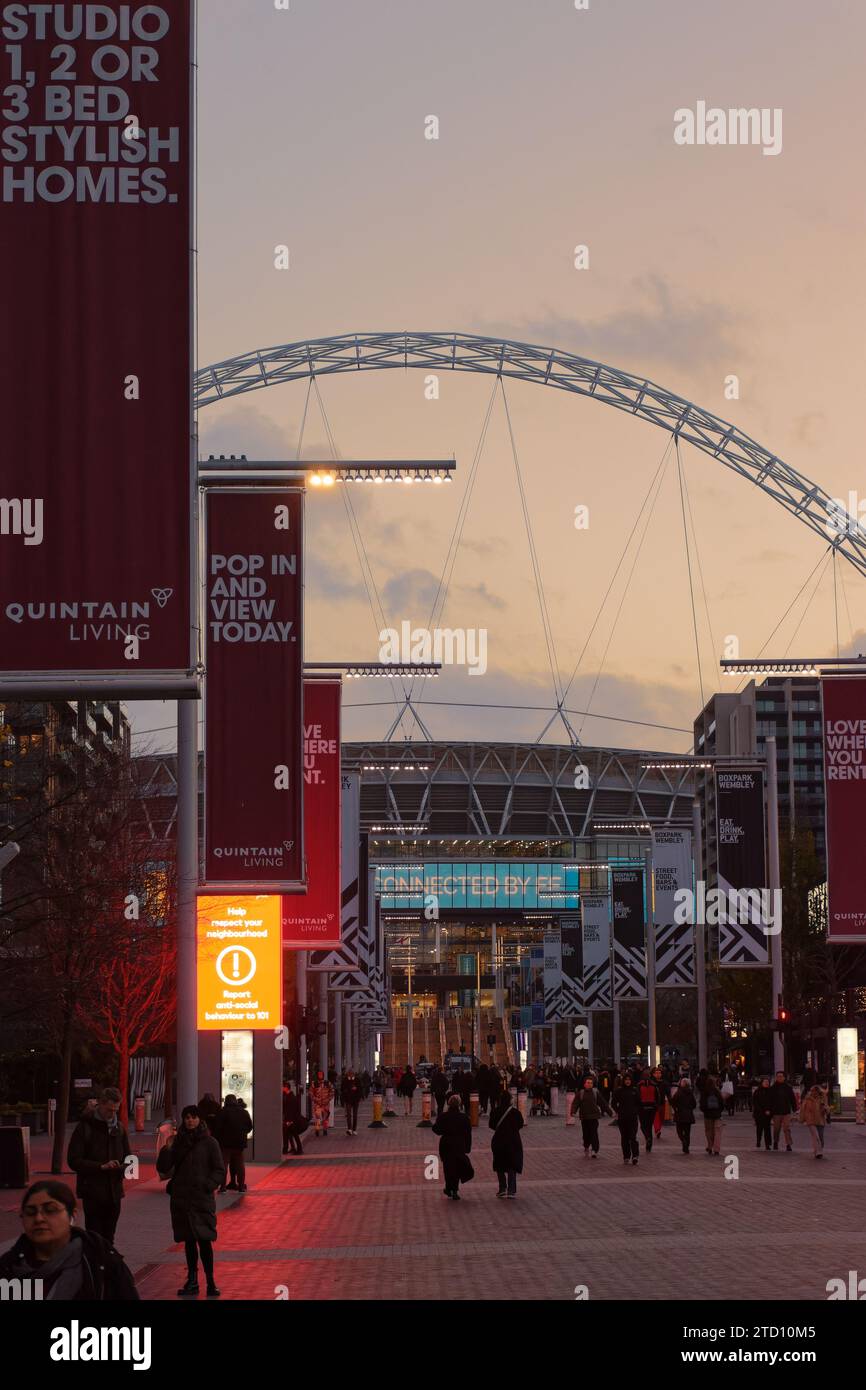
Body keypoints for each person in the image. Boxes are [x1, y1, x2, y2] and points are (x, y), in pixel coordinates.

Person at [0, 1181, 139, 1301]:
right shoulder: (9, 1267)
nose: (39, 1218)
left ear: (72, 1215)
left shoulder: (100, 1260)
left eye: (50, 1210)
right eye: (30, 1212)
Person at [157, 1105, 224, 1298]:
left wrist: (208, 1185)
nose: (190, 1121)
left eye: (194, 1117)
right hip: (182, 1199)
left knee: (205, 1241)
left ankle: (210, 1281)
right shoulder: (177, 1142)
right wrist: (167, 1149)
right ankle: (192, 1280)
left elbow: (219, 1169)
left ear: (200, 1119)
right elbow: (163, 1167)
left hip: (201, 1199)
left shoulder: (210, 1142)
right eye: (187, 1117)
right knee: (188, 1241)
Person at [66, 1086, 131, 1244]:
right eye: (109, 1110)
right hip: (93, 1192)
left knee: (109, 1238)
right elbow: (73, 1160)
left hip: (114, 1193)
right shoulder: (85, 1127)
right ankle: (96, 1266)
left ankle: (107, 1266)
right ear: (100, 1105)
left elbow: (130, 1159)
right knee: (94, 1238)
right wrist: (100, 1166)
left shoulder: (119, 1128)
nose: (112, 1114)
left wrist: (122, 1169)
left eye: (115, 1110)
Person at [432, 1094, 473, 1200]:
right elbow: (468, 1133)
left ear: (448, 1103)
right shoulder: (464, 1118)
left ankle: (449, 1187)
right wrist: (467, 1147)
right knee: (457, 1167)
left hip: (446, 1144)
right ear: (459, 1104)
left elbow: (436, 1130)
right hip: (459, 1144)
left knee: (448, 1167)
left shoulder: (443, 1116)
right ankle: (454, 1189)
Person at [489, 1088, 524, 1197]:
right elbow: (520, 1124)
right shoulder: (515, 1112)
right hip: (513, 1141)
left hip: (499, 1140)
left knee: (499, 1164)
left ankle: (502, 1188)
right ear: (510, 1100)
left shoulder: (495, 1111)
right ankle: (511, 1190)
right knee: (511, 1165)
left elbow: (491, 1125)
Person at [215, 1093, 253, 1189]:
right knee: (240, 1164)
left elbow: (218, 1127)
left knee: (224, 1164)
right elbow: (250, 1126)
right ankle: (241, 1186)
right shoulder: (244, 1112)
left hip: (225, 1143)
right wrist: (242, 1133)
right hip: (239, 1143)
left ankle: (223, 1187)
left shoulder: (223, 1112)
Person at [612, 1074, 641, 1165]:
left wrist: (636, 1111)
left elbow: (639, 1103)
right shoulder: (619, 1091)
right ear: (623, 1081)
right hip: (622, 1118)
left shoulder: (635, 1090)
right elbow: (613, 1103)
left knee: (633, 1137)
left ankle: (635, 1156)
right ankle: (626, 1156)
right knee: (624, 1138)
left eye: (629, 1079)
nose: (627, 1081)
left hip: (632, 1118)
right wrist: (618, 1111)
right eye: (626, 1080)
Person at [768, 1070, 798, 1151]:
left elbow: (792, 1099)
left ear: (784, 1078)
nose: (779, 1078)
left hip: (786, 1112)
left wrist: (795, 1109)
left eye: (781, 1076)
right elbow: (769, 1100)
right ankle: (775, 1142)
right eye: (778, 1076)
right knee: (776, 1129)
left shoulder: (788, 1088)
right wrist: (769, 1110)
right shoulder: (772, 1088)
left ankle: (788, 1144)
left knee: (786, 1128)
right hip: (776, 1112)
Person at [572, 1077, 601, 1158]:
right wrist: (573, 1111)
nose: (589, 1084)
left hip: (594, 1116)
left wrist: (611, 1112)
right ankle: (586, 1146)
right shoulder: (581, 1093)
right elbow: (575, 1103)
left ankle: (595, 1149)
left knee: (594, 1133)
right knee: (586, 1134)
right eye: (588, 1083)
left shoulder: (595, 1092)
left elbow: (603, 1103)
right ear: (584, 1084)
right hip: (584, 1117)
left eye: (591, 1083)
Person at [799, 1084, 829, 1159]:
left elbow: (827, 1109)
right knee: (816, 1136)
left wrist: (825, 1109)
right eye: (812, 1091)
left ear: (818, 1092)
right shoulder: (807, 1099)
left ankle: (819, 1150)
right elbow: (803, 1110)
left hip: (820, 1120)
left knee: (821, 1137)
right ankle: (818, 1153)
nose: (813, 1092)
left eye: (815, 1091)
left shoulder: (822, 1098)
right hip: (811, 1120)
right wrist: (802, 1119)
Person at [637, 1071, 661, 1153]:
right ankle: (649, 1145)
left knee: (643, 1126)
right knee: (649, 1126)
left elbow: (636, 1097)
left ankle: (647, 1138)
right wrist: (656, 1106)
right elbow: (658, 1097)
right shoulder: (654, 1085)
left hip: (642, 1108)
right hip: (652, 1108)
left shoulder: (639, 1085)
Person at [700, 1075, 725, 1155]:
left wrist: (704, 1111)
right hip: (717, 1115)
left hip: (707, 1115)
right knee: (717, 1132)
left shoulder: (704, 1091)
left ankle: (710, 1146)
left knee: (708, 1131)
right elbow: (722, 1103)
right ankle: (716, 1149)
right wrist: (719, 1111)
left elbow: (702, 1104)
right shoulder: (717, 1091)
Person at [670, 1077, 696, 1154]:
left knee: (679, 1131)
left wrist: (675, 1108)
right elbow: (694, 1104)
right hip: (688, 1115)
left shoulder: (678, 1092)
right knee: (687, 1132)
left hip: (680, 1114)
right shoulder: (690, 1093)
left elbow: (673, 1101)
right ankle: (686, 1147)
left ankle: (683, 1141)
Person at [752, 1077, 773, 1151]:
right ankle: (758, 1141)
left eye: (767, 1082)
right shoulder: (757, 1091)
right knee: (759, 1128)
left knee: (767, 1129)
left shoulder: (771, 1091)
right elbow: (755, 1103)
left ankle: (768, 1144)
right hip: (759, 1114)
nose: (766, 1083)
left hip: (768, 1114)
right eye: (765, 1082)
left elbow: (773, 1103)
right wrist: (762, 1111)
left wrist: (769, 1110)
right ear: (762, 1083)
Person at [310, 1071, 334, 1138]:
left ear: (323, 1075)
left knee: (325, 1117)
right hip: (317, 1103)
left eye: (321, 1074)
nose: (320, 1075)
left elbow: (332, 1091)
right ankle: (317, 1129)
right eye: (319, 1074)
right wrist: (315, 1099)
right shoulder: (314, 1083)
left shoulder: (327, 1083)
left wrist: (328, 1099)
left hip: (326, 1103)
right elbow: (311, 1093)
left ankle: (325, 1129)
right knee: (318, 1117)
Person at [282, 1083, 304, 1156]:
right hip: (290, 1119)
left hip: (291, 1120)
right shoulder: (288, 1096)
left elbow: (291, 1110)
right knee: (289, 1134)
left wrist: (289, 1121)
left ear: (286, 1088)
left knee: (292, 1134)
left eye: (283, 1087)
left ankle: (298, 1149)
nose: (282, 1088)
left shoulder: (291, 1097)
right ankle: (291, 1148)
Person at [341, 1069, 362, 1135]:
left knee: (355, 1115)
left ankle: (354, 1129)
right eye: (349, 1073)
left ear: (354, 1074)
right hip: (348, 1100)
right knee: (349, 1115)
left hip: (355, 1100)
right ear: (348, 1074)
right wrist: (349, 1090)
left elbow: (360, 1089)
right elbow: (342, 1089)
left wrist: (358, 1095)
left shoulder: (357, 1080)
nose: (350, 1075)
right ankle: (349, 1129)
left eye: (352, 1073)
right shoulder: (345, 1080)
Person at [651, 1065, 669, 1137]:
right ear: (653, 1074)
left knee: (661, 1117)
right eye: (656, 1073)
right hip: (654, 1103)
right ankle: (657, 1130)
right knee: (656, 1117)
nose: (658, 1074)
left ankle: (658, 1129)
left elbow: (667, 1092)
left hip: (662, 1102)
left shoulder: (664, 1083)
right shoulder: (651, 1083)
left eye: (659, 1073)